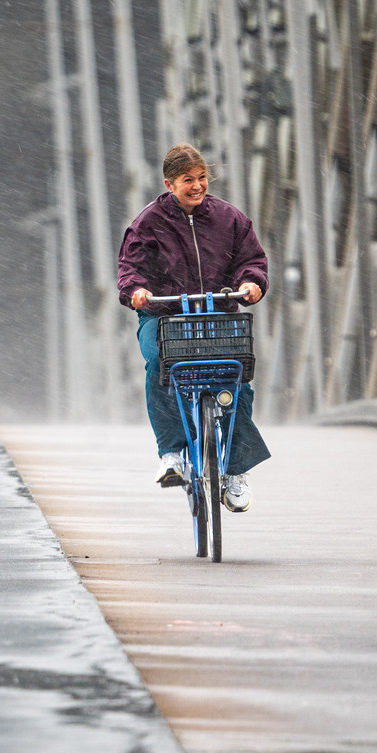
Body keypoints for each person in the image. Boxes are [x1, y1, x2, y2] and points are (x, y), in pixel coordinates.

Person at [117, 143, 271, 511]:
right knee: (160, 367)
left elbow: (252, 259)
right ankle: (171, 454)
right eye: (189, 180)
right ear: (170, 184)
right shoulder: (148, 223)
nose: (198, 186)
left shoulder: (229, 218)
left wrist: (252, 283)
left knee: (237, 379)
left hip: (218, 314)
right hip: (165, 316)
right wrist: (137, 291)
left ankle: (234, 472)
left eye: (202, 178)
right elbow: (129, 267)